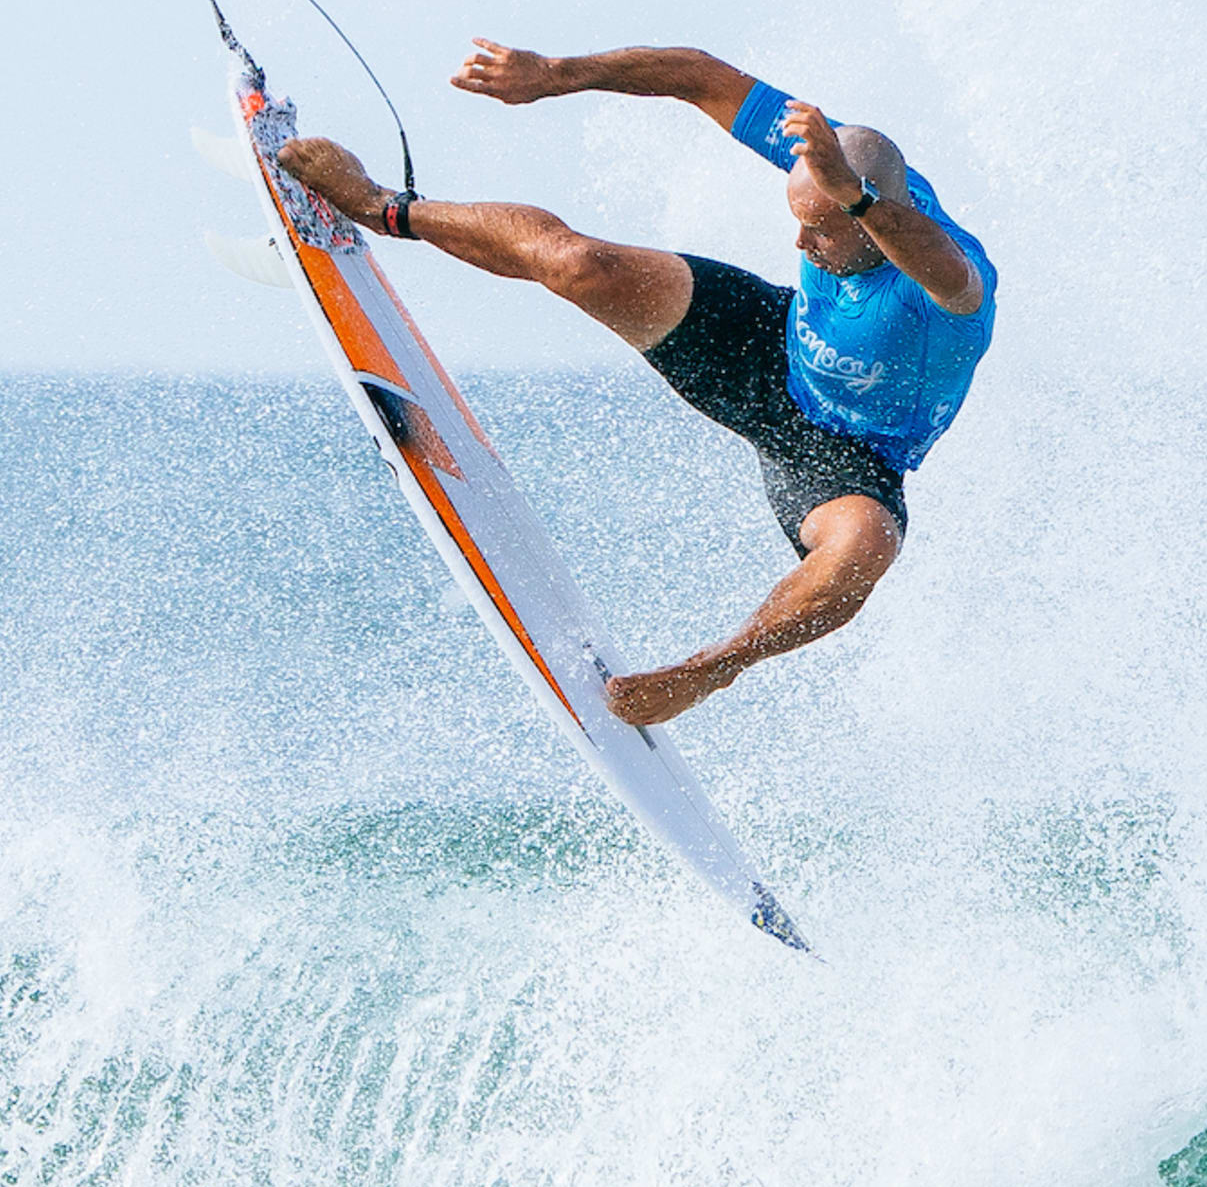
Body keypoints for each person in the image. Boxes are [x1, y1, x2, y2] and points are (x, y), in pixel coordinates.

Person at [277, 40, 996, 727]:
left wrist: (858, 204)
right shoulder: (836, 162)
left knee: (865, 548)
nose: (798, 244)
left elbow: (946, 274)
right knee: (578, 263)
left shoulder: (950, 291)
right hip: (767, 344)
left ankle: (714, 666)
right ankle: (380, 206)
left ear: (870, 216)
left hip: (848, 454)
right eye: (798, 220)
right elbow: (700, 76)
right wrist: (554, 74)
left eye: (820, 230)